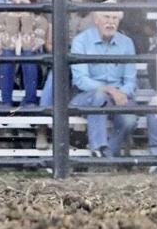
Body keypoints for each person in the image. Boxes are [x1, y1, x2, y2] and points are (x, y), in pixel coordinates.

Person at [43, 9, 138, 157]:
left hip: (118, 97)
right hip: (85, 96)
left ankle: (106, 155)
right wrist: (110, 90)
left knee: (129, 120)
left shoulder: (126, 43)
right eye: (106, 16)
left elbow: (130, 81)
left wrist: (120, 93)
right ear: (96, 20)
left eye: (115, 18)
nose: (111, 22)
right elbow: (81, 80)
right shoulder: (81, 41)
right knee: (99, 96)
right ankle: (99, 148)